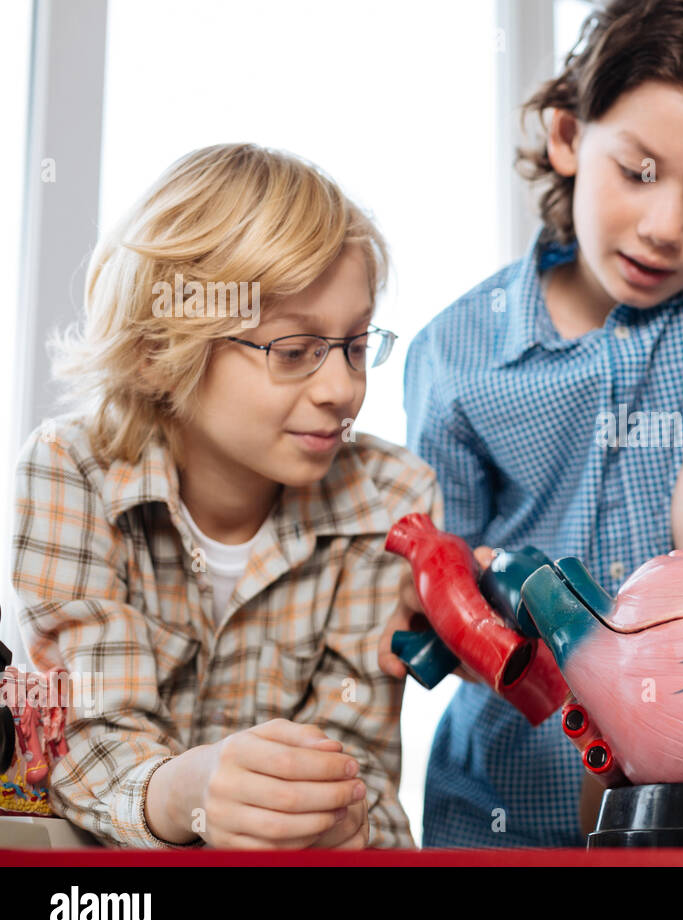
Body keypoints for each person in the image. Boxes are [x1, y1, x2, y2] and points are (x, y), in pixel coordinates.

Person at [403, 0, 683, 846]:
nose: (664, 226)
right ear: (568, 136)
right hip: (506, 780)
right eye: (638, 171)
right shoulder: (451, 352)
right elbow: (443, 579)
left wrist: (679, 694)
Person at [10, 143, 437, 848]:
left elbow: (362, 774)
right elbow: (89, 744)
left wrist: (333, 815)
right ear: (164, 347)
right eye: (293, 351)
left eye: (357, 345)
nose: (342, 390)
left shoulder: (390, 497)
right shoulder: (73, 471)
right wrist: (188, 793)